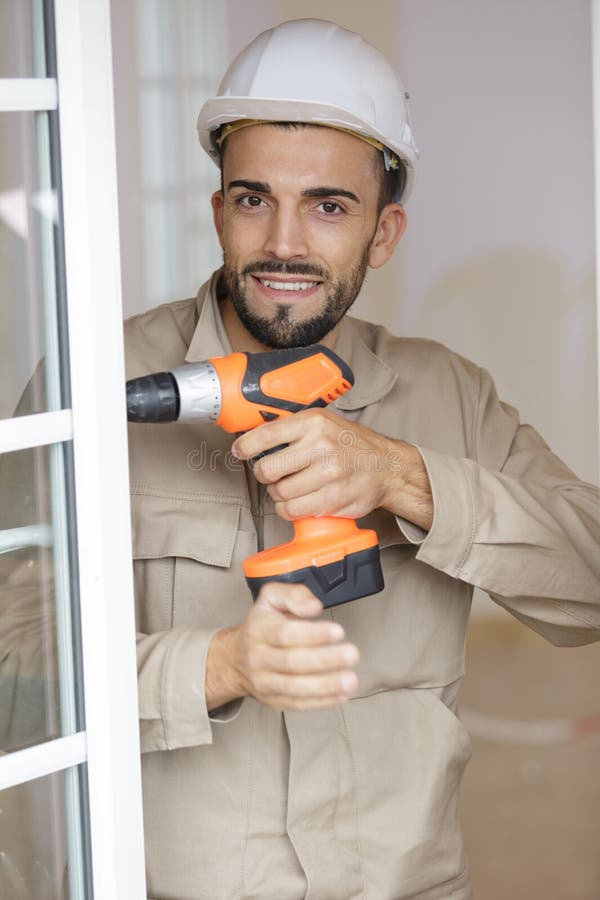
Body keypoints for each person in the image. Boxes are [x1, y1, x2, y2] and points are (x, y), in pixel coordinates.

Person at [126, 18, 600, 900]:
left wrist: (403, 478)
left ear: (384, 233)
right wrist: (221, 666)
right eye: (254, 199)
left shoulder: (449, 394)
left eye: (330, 206)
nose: (284, 244)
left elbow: (592, 576)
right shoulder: (102, 389)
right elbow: (19, 666)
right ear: (219, 212)